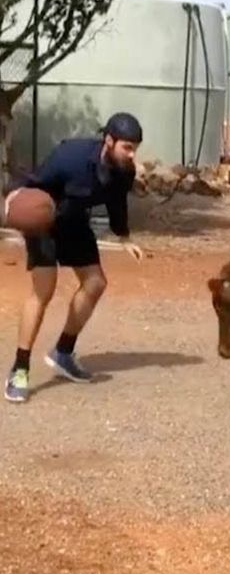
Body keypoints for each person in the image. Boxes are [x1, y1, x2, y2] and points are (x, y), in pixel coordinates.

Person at [4, 113, 145, 403]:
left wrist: (125, 237)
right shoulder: (71, 155)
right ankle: (19, 368)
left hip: (73, 219)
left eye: (135, 148)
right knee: (44, 289)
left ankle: (63, 353)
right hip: (44, 217)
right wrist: (14, 198)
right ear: (109, 140)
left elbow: (117, 204)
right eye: (127, 147)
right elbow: (35, 180)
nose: (132, 154)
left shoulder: (124, 171)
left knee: (95, 283)